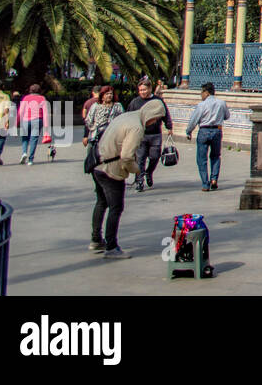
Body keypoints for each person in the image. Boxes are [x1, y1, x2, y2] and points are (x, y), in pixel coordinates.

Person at [89, 98, 166, 259]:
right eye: (156, 118)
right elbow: (126, 156)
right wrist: (137, 170)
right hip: (111, 169)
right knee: (116, 207)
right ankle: (111, 246)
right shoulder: (137, 127)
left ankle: (96, 239)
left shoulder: (126, 116)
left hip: (97, 163)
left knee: (101, 202)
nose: (154, 122)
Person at [127, 78, 173, 191]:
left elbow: (165, 113)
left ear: (150, 89)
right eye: (140, 90)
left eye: (144, 89)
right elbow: (128, 116)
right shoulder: (135, 102)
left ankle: (149, 172)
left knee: (155, 156)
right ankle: (139, 181)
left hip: (155, 134)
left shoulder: (158, 101)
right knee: (140, 159)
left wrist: (169, 126)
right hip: (140, 135)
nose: (142, 92)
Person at [184, 82, 231, 192]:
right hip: (217, 131)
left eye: (202, 92)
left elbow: (194, 120)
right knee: (215, 156)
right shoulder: (221, 103)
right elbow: (227, 116)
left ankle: (205, 184)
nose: (201, 95)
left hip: (204, 131)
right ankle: (214, 179)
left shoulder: (202, 105)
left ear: (206, 92)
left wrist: (188, 131)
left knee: (202, 158)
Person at [17, 84, 49, 165]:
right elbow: (45, 114)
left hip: (25, 120)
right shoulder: (42, 98)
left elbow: (20, 112)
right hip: (37, 120)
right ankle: (30, 160)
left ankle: (24, 153)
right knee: (33, 139)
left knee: (25, 138)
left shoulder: (26, 98)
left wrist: (16, 123)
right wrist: (46, 128)